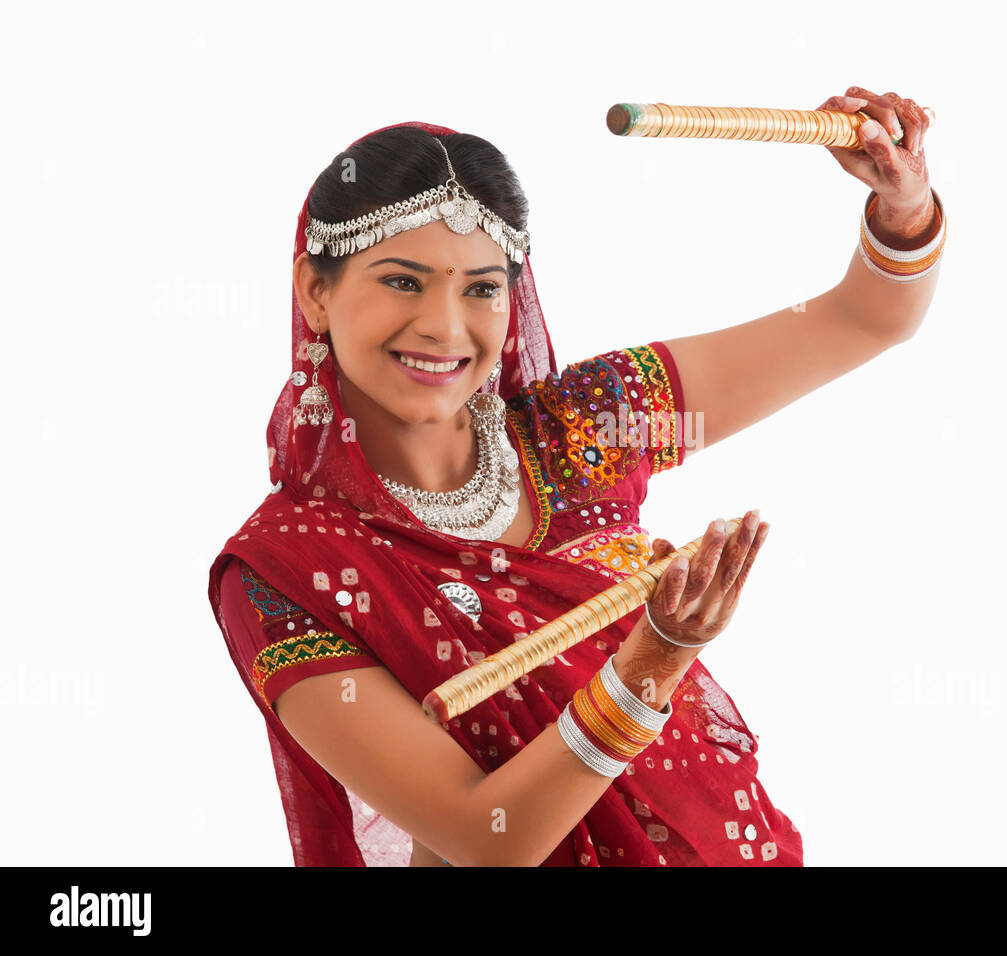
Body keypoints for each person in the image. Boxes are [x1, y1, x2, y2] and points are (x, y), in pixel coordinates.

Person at [208, 91, 944, 867]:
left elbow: (865, 318)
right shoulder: (283, 572)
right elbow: (484, 837)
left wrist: (905, 207)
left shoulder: (584, 426)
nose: (445, 327)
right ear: (315, 290)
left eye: (481, 288)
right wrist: (652, 663)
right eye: (403, 281)